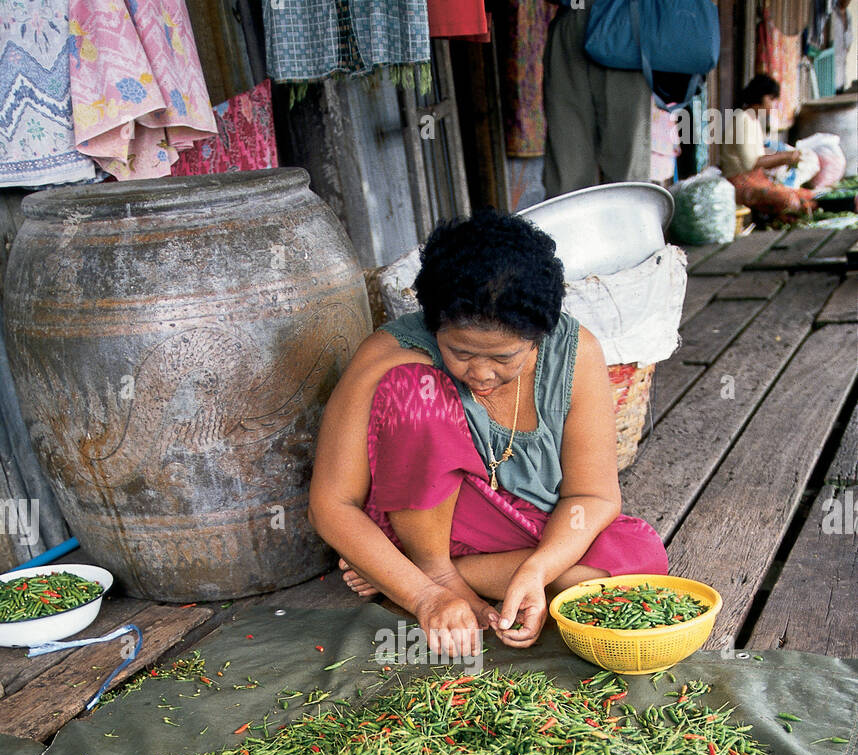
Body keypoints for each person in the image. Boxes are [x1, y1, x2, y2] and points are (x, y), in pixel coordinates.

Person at [308, 209, 668, 661]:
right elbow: (331, 506)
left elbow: (592, 497)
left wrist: (538, 571)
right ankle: (430, 570)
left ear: (539, 337)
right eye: (459, 351)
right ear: (433, 323)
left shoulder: (576, 355)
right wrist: (426, 597)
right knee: (413, 389)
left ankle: (412, 572)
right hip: (422, 522)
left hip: (521, 534)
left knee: (642, 556)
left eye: (504, 357)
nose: (480, 373)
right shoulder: (390, 354)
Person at [542, 0, 652, 196]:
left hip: (624, 21)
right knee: (567, 171)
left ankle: (627, 223)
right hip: (574, 14)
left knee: (626, 171)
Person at [720, 74, 818, 223]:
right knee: (789, 200)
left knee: (808, 195)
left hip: (757, 178)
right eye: (771, 99)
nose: (773, 105)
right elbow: (750, 164)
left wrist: (786, 158)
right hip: (739, 182)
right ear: (759, 96)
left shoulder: (753, 119)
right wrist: (786, 157)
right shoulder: (741, 119)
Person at [832, 0, 854, 94]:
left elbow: (849, 41)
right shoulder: (831, 13)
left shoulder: (848, 16)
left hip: (841, 74)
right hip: (830, 70)